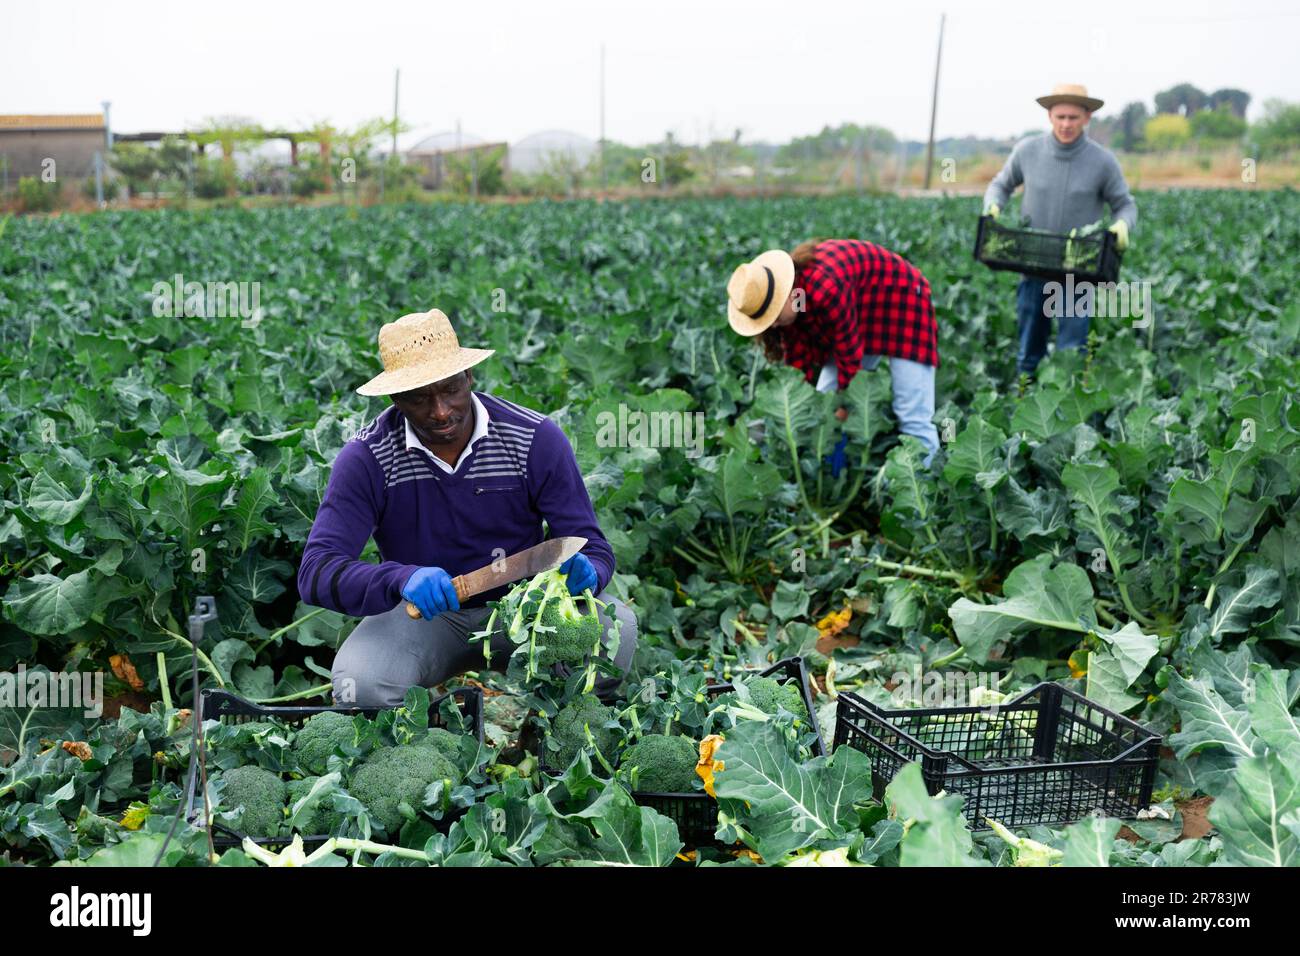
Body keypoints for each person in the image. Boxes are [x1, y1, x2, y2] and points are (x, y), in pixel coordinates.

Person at [297, 308, 637, 707]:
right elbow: (316, 571)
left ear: (469, 377)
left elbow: (593, 547)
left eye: (450, 390)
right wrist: (399, 578)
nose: (440, 411)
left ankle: (566, 734)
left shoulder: (534, 438)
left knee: (617, 628)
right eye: (419, 398)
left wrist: (590, 572)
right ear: (394, 398)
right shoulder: (367, 458)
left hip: (526, 613)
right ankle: (424, 758)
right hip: (425, 619)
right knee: (363, 683)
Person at [725, 240, 941, 468]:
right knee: (822, 403)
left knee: (911, 414)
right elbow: (800, 363)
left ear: (785, 294)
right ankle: (831, 473)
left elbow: (849, 357)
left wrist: (843, 406)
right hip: (860, 309)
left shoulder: (825, 288)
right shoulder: (798, 300)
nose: (775, 325)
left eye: (774, 316)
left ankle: (927, 487)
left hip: (903, 299)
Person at [984, 83, 1138, 376]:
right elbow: (1000, 185)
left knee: (1072, 353)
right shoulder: (1027, 151)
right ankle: (1026, 409)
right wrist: (993, 205)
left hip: (1079, 270)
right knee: (1029, 351)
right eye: (1060, 117)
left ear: (1087, 118)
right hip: (1032, 265)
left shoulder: (1102, 161)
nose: (1066, 124)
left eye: (1073, 117)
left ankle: (1070, 414)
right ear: (1050, 116)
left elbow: (1125, 205)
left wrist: (1122, 224)